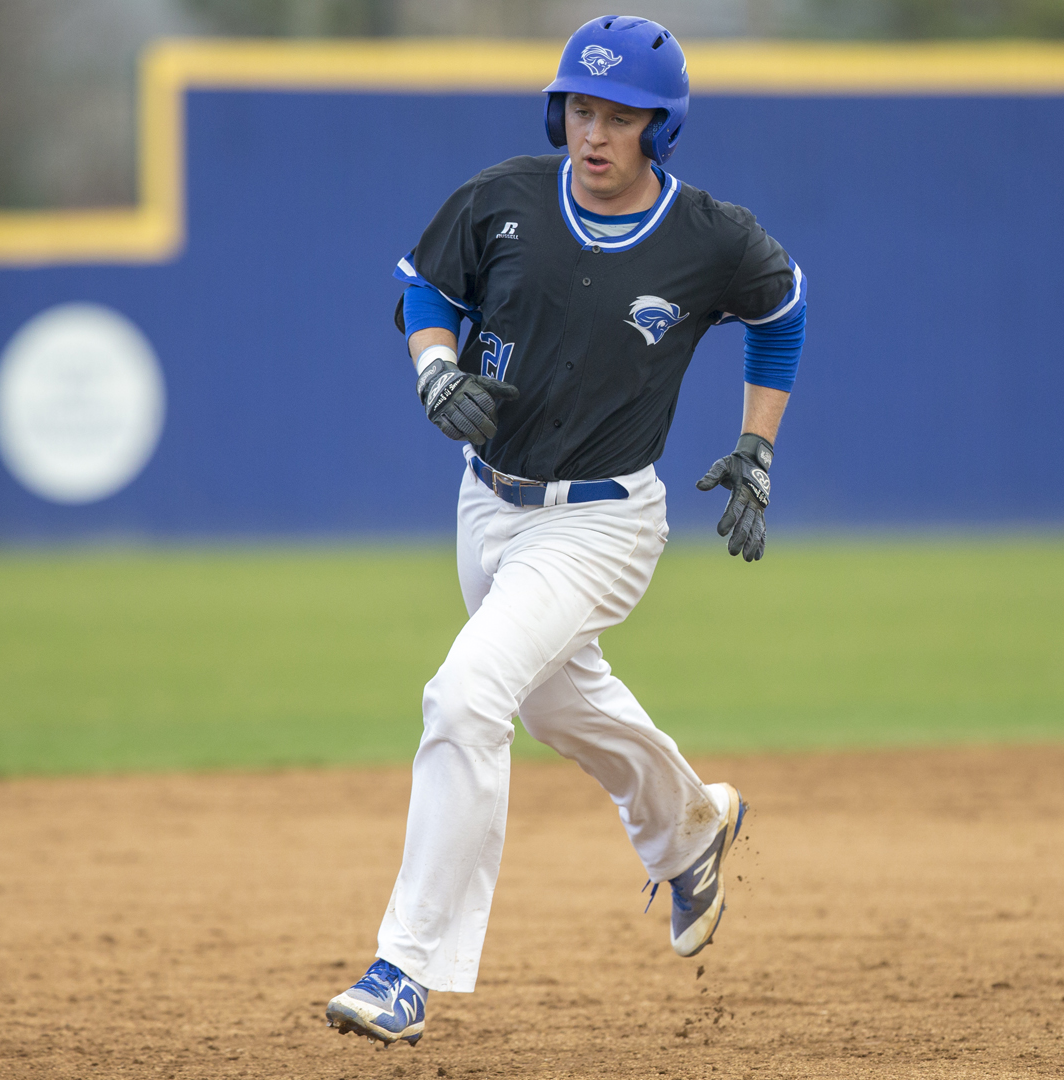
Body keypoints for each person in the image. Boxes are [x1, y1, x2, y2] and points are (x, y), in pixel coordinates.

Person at [326, 14, 807, 1048]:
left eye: (621, 116)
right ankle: (692, 829)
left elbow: (782, 310)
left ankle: (405, 967)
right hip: (487, 504)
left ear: (659, 129)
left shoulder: (709, 237)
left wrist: (756, 446)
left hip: (603, 522)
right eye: (581, 109)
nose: (595, 133)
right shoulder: (502, 198)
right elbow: (423, 285)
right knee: (558, 703)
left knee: (466, 695)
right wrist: (434, 368)